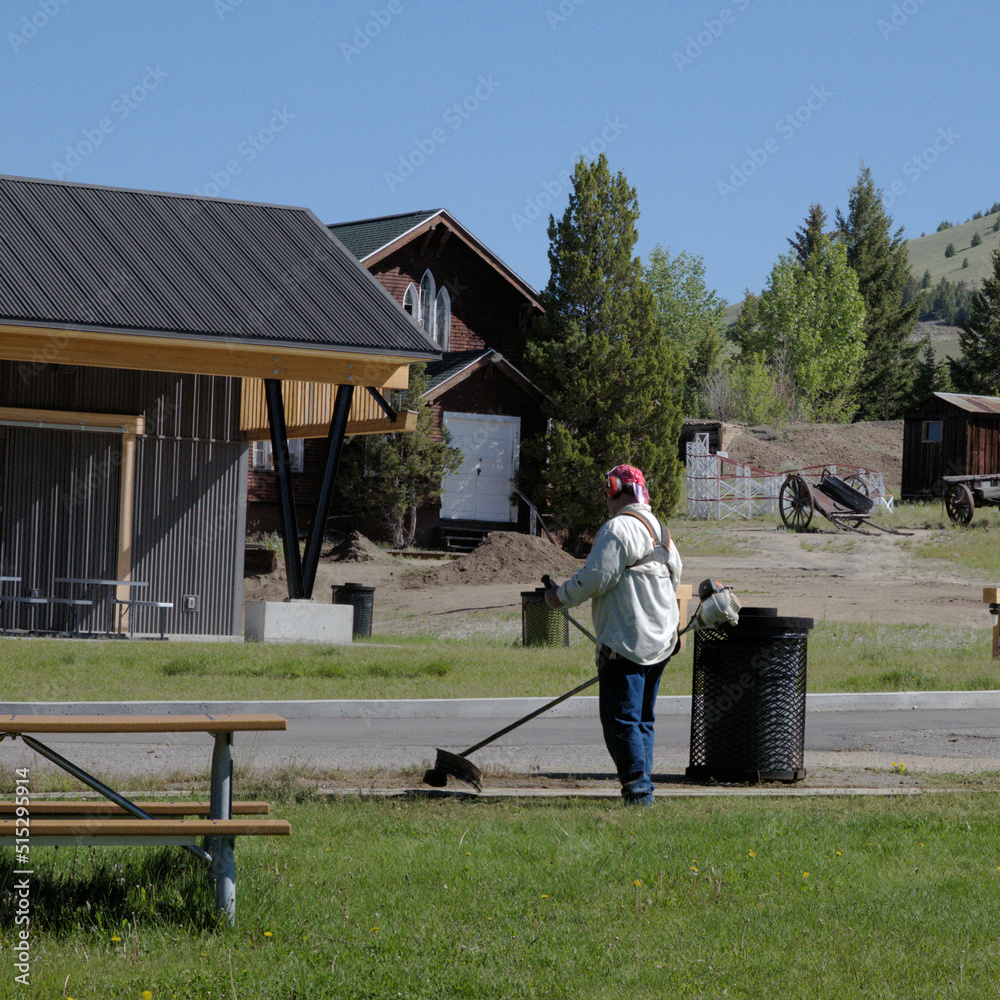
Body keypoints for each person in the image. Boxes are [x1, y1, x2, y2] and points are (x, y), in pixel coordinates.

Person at [544, 464, 682, 805]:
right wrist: (675, 630)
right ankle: (642, 788)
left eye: (608, 491)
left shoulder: (617, 528)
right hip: (661, 642)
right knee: (643, 720)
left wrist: (558, 596)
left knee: (621, 721)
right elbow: (678, 581)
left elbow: (597, 577)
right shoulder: (662, 532)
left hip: (627, 643)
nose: (606, 500)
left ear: (616, 491)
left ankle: (638, 794)